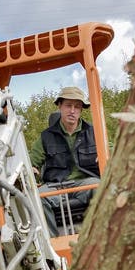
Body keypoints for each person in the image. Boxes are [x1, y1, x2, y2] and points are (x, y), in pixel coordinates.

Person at [29, 86, 100, 234]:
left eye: (77, 107)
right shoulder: (45, 137)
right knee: (37, 197)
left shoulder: (94, 132)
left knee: (101, 188)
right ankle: (53, 247)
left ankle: (97, 237)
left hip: (85, 183)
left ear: (81, 110)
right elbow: (32, 163)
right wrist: (32, 172)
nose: (72, 110)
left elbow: (111, 151)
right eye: (68, 105)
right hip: (56, 186)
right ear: (59, 106)